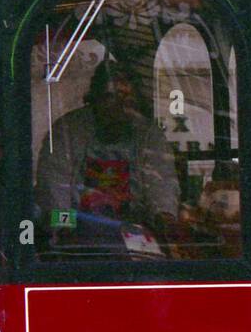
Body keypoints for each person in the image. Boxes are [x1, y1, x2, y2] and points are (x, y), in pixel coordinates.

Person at [34, 59, 180, 251]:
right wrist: (65, 231)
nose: (119, 108)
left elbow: (162, 184)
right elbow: (54, 194)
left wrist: (165, 218)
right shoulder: (67, 131)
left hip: (135, 237)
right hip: (77, 238)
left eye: (127, 100)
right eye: (110, 98)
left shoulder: (149, 134)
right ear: (94, 98)